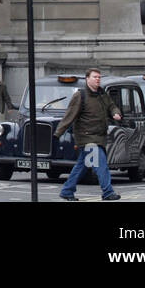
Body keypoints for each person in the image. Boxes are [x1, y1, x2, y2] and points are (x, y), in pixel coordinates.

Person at [54, 67, 122, 201]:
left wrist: (116, 113)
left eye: (99, 77)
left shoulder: (102, 94)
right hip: (87, 138)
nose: (98, 79)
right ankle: (108, 192)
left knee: (82, 165)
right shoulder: (80, 95)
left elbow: (111, 106)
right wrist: (58, 133)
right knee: (100, 163)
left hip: (99, 136)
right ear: (87, 79)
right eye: (95, 77)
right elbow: (69, 115)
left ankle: (67, 190)